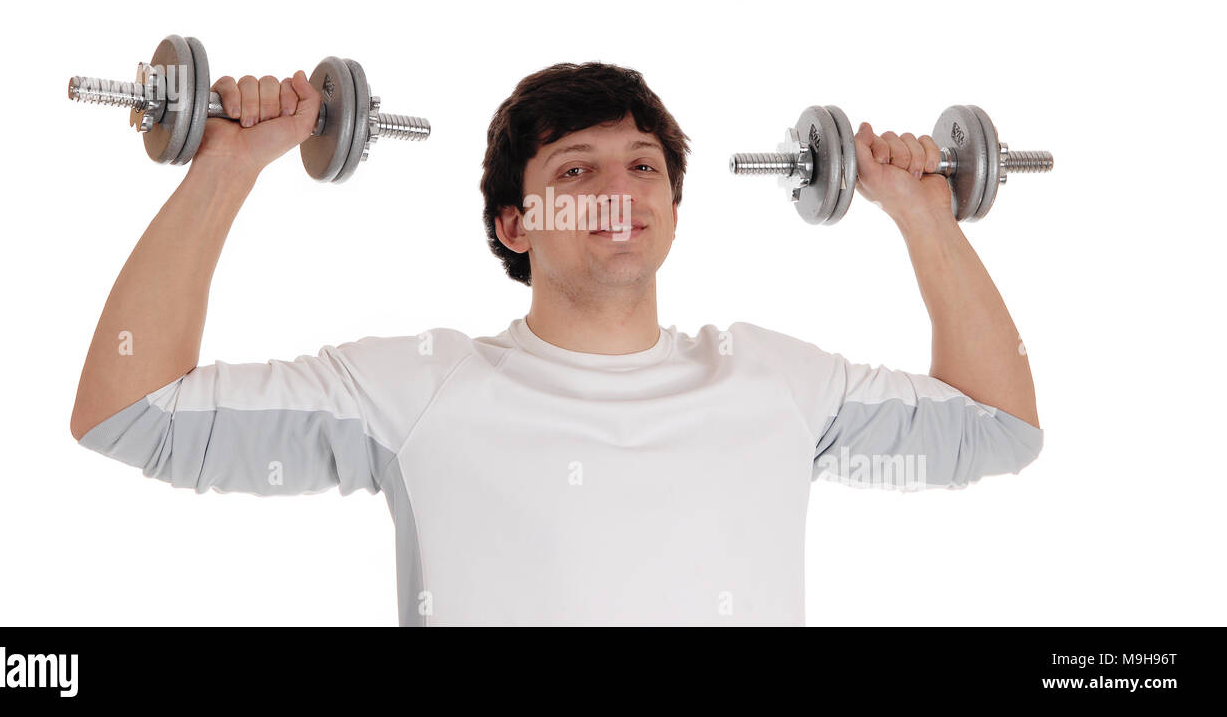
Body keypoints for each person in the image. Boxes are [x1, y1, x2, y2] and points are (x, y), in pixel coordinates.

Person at [71, 61, 1044, 626]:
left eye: (643, 166)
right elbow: (133, 413)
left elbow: (996, 428)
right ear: (514, 225)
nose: (618, 191)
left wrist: (926, 217)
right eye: (575, 170)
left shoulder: (776, 380)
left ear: (671, 208)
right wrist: (227, 165)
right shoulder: (413, 393)